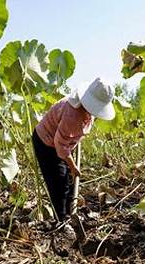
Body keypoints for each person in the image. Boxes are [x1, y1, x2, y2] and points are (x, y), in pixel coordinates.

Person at [32, 77, 115, 222]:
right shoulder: (72, 115)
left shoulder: (87, 110)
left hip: (61, 144)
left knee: (68, 181)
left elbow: (74, 134)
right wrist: (73, 166)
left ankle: (72, 211)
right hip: (46, 143)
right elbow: (60, 144)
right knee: (59, 182)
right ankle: (61, 220)